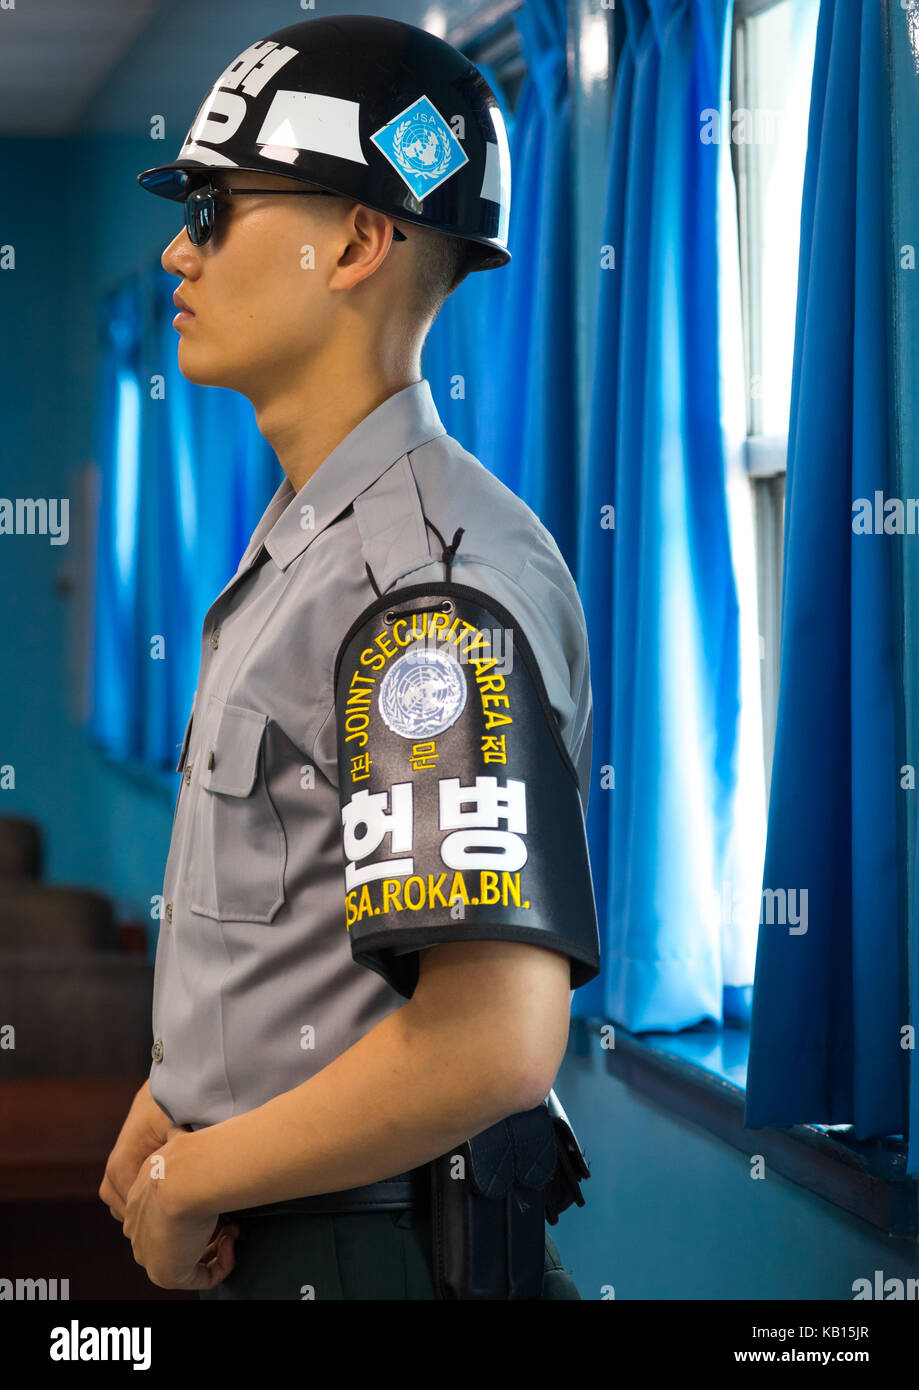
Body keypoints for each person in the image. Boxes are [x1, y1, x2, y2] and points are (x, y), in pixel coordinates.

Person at [98, 14, 601, 1300]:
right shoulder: (311, 543)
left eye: (213, 211)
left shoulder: (420, 583)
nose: (177, 246)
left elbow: (489, 1042)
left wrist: (189, 1186)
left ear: (359, 241)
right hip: (281, 1217)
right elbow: (300, 926)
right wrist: (175, 1099)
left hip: (360, 1241)